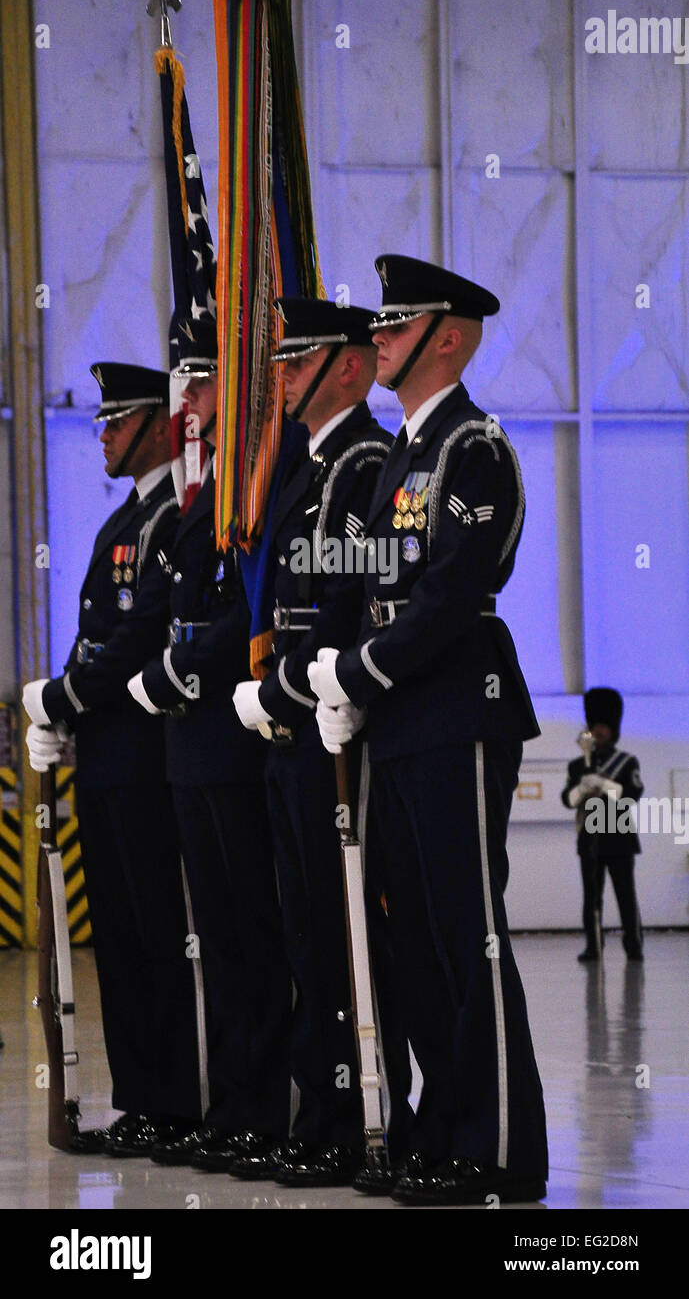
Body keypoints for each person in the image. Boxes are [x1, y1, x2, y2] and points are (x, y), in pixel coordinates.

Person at [308, 254, 549, 1206]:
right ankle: (441, 1133)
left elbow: (448, 589)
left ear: (444, 336)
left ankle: (499, 1151)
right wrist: (319, 672)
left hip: (458, 708)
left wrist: (358, 669)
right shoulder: (400, 454)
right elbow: (361, 578)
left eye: (394, 324)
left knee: (465, 936)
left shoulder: (471, 449)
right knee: (409, 940)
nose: (376, 339)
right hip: (398, 717)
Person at [233, 297, 412, 1188]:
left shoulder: (365, 460)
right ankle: (321, 1110)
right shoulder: (307, 466)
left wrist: (288, 682)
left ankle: (356, 1114)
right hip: (291, 722)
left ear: (347, 365)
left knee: (345, 935)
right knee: (306, 930)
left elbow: (344, 599)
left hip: (333, 723)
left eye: (296, 361)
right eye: (278, 362)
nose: (279, 377)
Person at [124, 319, 293, 1170]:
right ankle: (230, 1104)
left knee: (251, 931)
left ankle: (268, 1108)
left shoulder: (257, 481)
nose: (186, 400)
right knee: (219, 938)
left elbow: (250, 607)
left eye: (201, 380)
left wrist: (186, 667)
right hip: (190, 738)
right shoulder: (209, 491)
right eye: (186, 383)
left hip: (229, 731)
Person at [22, 362, 202, 1155]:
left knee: (157, 937)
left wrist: (62, 699)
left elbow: (138, 638)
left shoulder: (175, 514)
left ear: (159, 424)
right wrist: (64, 705)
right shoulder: (123, 521)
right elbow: (95, 633)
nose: (102, 433)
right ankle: (143, 1099)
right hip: (106, 758)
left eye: (117, 419)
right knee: (120, 945)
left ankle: (174, 1099)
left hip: (145, 756)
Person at [562, 687, 644, 963]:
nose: (598, 731)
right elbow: (568, 799)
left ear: (612, 729)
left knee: (626, 898)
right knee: (591, 899)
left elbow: (632, 794)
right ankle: (593, 946)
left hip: (619, 838)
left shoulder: (626, 762)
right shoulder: (577, 765)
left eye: (603, 726)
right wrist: (582, 786)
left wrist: (604, 785)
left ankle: (634, 946)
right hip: (590, 840)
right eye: (594, 725)